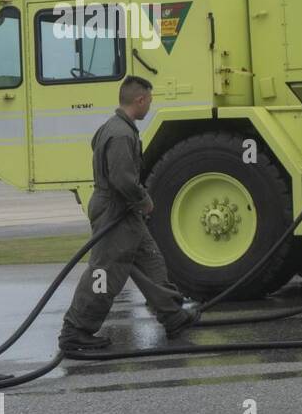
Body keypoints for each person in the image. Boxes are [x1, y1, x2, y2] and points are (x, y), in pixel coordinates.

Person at [59, 75, 198, 350]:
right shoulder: (121, 133)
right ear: (140, 99)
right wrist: (144, 200)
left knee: (150, 260)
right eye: (150, 100)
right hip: (116, 210)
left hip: (123, 211)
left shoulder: (113, 128)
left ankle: (173, 316)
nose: (150, 106)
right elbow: (122, 179)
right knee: (105, 272)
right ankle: (76, 330)